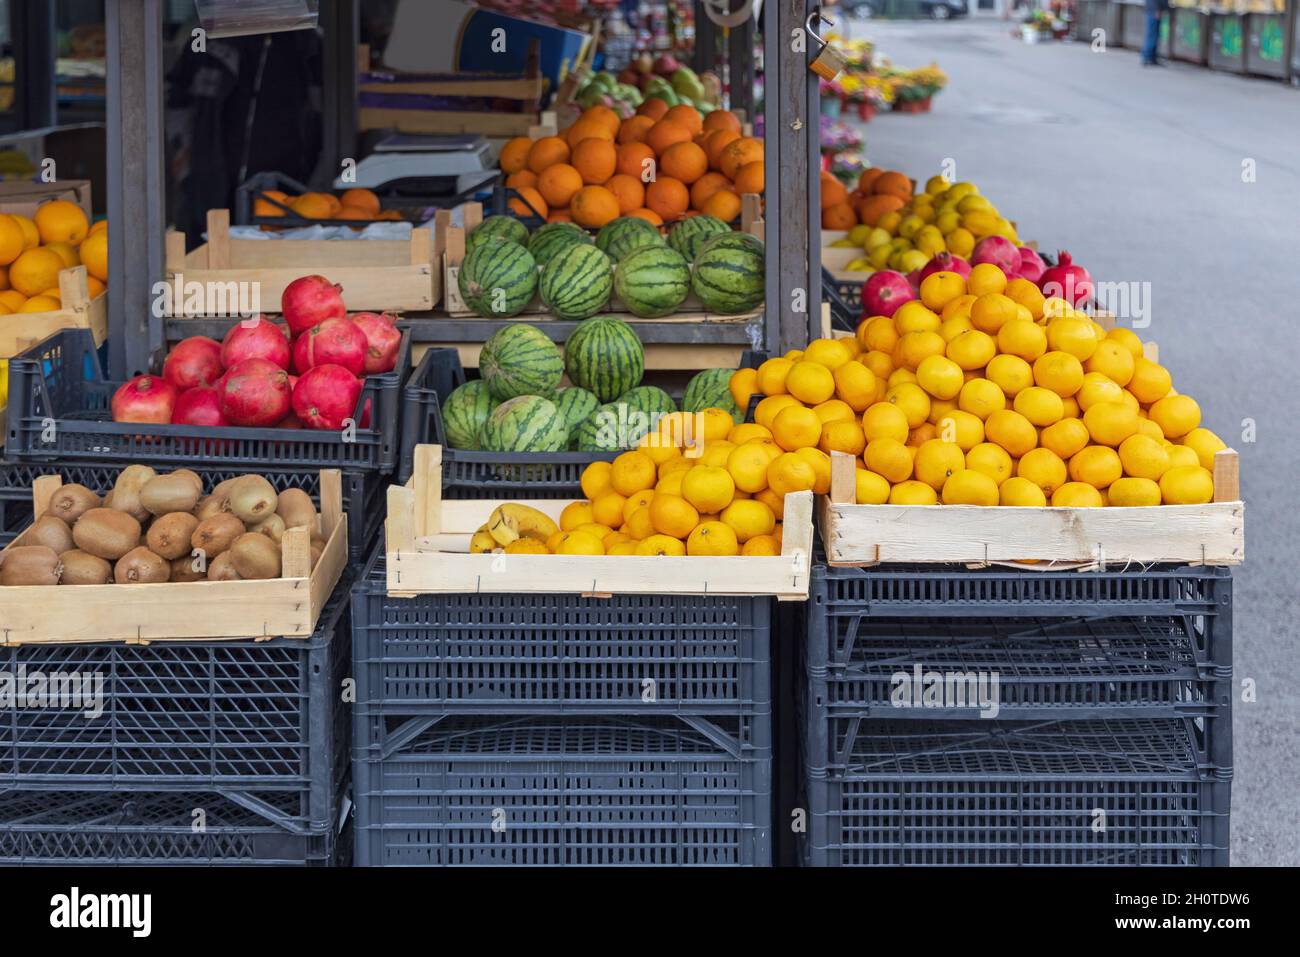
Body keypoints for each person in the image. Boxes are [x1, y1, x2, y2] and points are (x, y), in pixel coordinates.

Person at [1142, 0, 1169, 66]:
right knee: (1152, 35)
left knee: (1154, 35)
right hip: (1154, 11)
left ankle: (1152, 57)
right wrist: (1156, 10)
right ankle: (1148, 57)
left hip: (1155, 10)